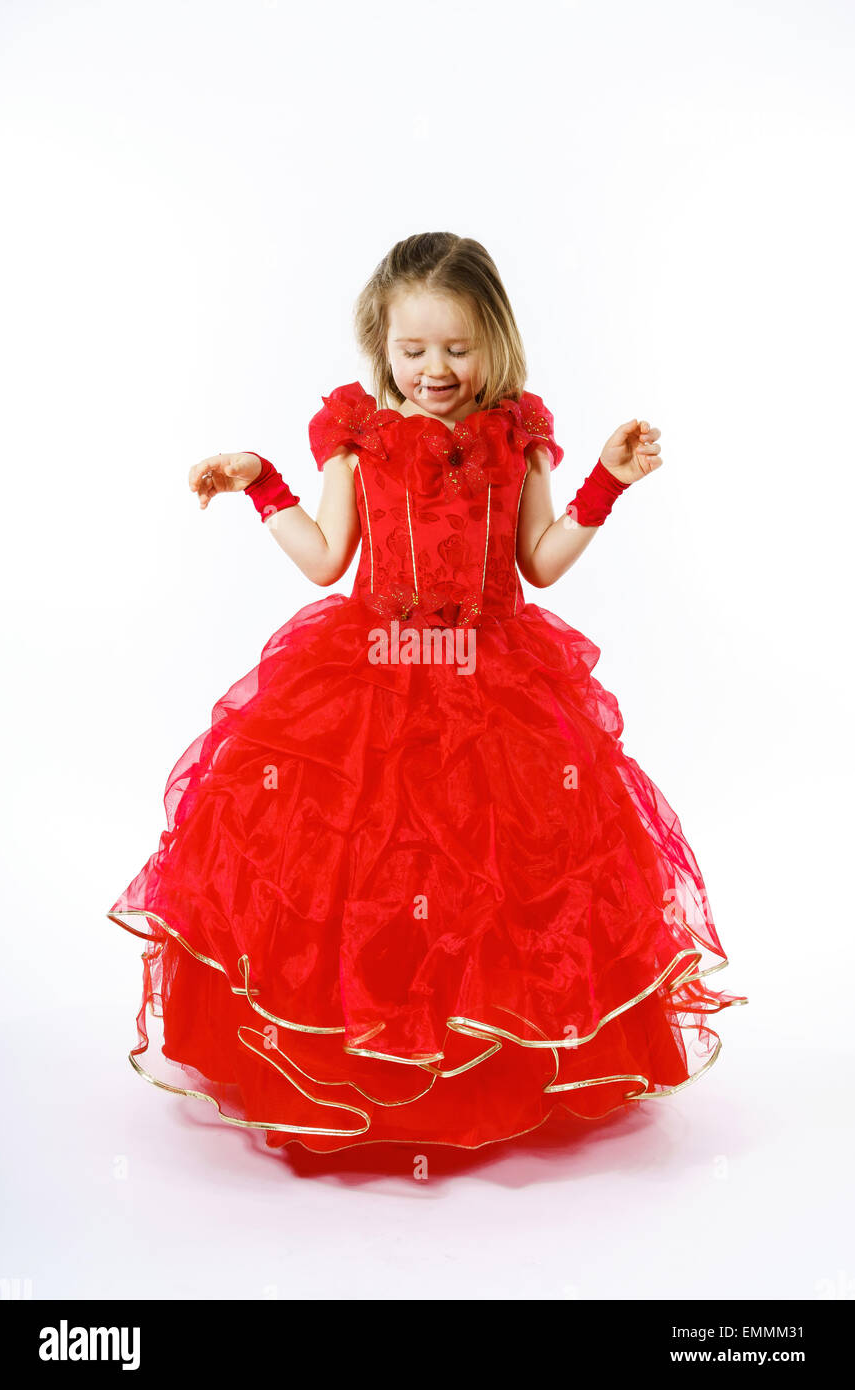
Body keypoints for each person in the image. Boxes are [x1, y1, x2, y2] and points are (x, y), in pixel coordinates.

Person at [107, 231, 747, 1156]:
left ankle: (492, 1057)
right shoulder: (358, 436)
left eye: (457, 348)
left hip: (497, 676)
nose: (434, 370)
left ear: (495, 340)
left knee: (499, 868)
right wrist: (263, 483)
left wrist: (609, 482)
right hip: (372, 670)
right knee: (369, 861)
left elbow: (540, 562)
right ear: (383, 344)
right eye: (413, 351)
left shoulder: (517, 434)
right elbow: (326, 561)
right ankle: (358, 1057)